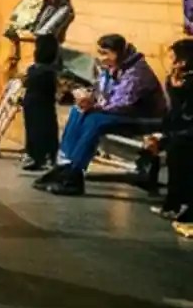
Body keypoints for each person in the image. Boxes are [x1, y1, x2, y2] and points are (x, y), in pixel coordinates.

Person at [36, 34, 166, 196]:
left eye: (106, 53)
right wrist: (88, 99)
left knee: (95, 120)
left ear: (120, 52)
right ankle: (64, 165)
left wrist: (96, 107)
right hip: (119, 113)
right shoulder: (110, 66)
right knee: (78, 111)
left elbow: (123, 103)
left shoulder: (137, 72)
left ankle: (75, 175)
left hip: (142, 117)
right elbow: (101, 92)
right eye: (100, 52)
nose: (102, 58)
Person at [146, 38, 193, 224]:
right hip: (178, 127)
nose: (171, 62)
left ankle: (179, 204)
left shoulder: (189, 81)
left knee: (179, 151)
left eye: (174, 58)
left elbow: (187, 110)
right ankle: (172, 204)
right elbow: (173, 110)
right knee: (170, 148)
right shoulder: (174, 79)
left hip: (188, 130)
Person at [20, 34, 61, 171]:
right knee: (47, 130)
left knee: (32, 130)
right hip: (45, 105)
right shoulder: (51, 72)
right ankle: (48, 157)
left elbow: (26, 83)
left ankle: (34, 156)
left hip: (30, 103)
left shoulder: (33, 69)